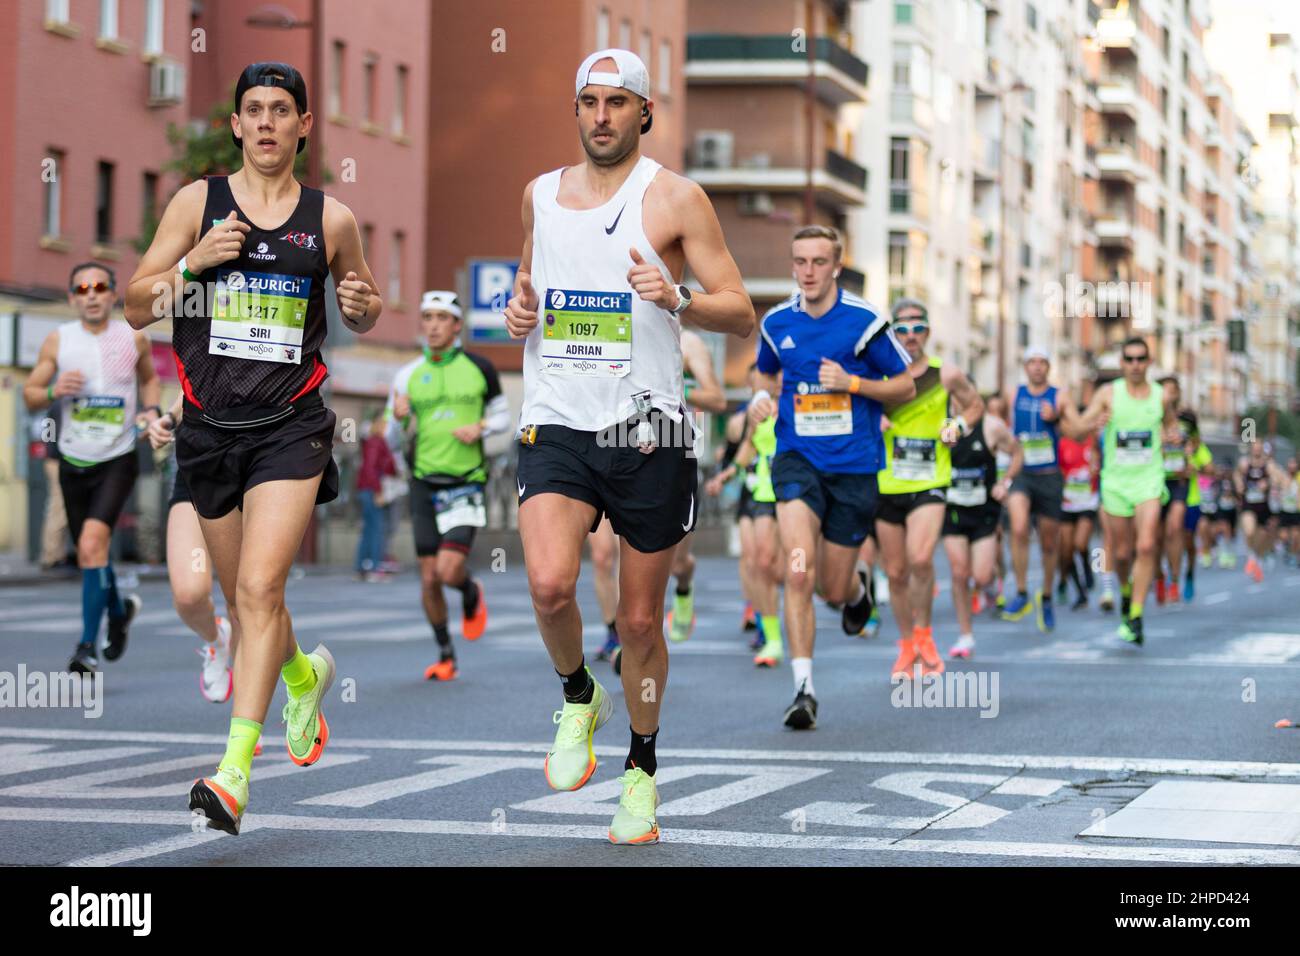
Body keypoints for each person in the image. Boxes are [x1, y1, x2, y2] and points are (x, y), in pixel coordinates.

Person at [502, 49, 754, 845]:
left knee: (641, 623)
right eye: (589, 101)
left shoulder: (676, 198)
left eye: (618, 102)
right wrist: (518, 312)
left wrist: (679, 299)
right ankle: (578, 693)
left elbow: (741, 309)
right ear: (575, 109)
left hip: (651, 430)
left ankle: (640, 772)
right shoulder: (539, 195)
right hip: (558, 420)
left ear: (645, 113)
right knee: (548, 584)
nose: (602, 116)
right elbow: (527, 285)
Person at [126, 62, 382, 834]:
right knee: (244, 604)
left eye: (281, 110)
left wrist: (362, 306)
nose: (267, 122)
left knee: (262, 590)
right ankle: (303, 677)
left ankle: (234, 772)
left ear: (304, 125)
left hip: (291, 427)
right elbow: (139, 304)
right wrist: (192, 263)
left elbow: (363, 306)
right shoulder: (194, 203)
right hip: (209, 429)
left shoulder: (330, 220)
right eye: (253, 110)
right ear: (237, 124)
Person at [748, 226, 913, 727]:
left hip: (854, 468)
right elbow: (765, 372)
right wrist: (759, 397)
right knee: (798, 571)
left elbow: (905, 385)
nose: (808, 272)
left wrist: (854, 382)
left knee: (832, 591)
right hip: (798, 461)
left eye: (819, 262)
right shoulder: (777, 322)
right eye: (800, 262)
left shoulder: (864, 321)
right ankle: (803, 689)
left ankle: (858, 591)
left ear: (837, 266)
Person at [23, 262, 160, 674]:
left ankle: (86, 647)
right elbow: (30, 393)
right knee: (92, 555)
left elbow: (150, 380)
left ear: (113, 293)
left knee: (90, 546)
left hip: (118, 457)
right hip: (72, 458)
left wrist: (150, 410)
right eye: (82, 289)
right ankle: (119, 612)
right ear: (72, 298)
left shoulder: (134, 337)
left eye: (99, 286)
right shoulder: (58, 341)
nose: (92, 294)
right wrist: (51, 390)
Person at [387, 290, 508, 680]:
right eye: (428, 318)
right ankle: (445, 654)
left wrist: (481, 427)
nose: (434, 325)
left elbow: (505, 417)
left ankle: (470, 591)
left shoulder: (480, 368)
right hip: (424, 481)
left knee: (448, 570)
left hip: (466, 482)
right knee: (427, 577)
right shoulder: (406, 375)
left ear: (457, 325)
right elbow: (392, 439)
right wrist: (401, 419)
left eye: (442, 318)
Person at [873, 299, 983, 676]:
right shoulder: (880, 374)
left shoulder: (945, 374)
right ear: (892, 333)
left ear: (928, 333)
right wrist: (874, 421)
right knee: (897, 571)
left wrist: (956, 428)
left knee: (920, 559)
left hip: (930, 479)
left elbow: (974, 407)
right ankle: (906, 645)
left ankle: (925, 635)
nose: (910, 336)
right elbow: (852, 406)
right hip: (887, 482)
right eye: (902, 329)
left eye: (917, 328)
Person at [1066, 337, 1174, 645]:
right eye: (1130, 359)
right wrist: (1093, 424)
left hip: (1149, 479)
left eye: (1141, 359)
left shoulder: (1161, 396)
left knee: (1146, 545)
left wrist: (1172, 436)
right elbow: (1074, 431)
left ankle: (1137, 615)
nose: (1136, 365)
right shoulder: (1108, 394)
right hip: (1115, 482)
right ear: (1122, 362)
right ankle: (1126, 593)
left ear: (1149, 362)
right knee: (1122, 552)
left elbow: (1170, 426)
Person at [147, 396, 241, 702]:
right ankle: (216, 638)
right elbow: (196, 376)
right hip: (199, 461)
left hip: (261, 464)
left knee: (244, 601)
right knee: (189, 596)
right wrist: (170, 418)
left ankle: (244, 719)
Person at [1001, 347, 1078, 633]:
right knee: (1019, 528)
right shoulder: (1013, 394)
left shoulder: (1060, 396)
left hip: (1049, 475)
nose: (1036, 367)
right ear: (1024, 366)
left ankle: (1044, 595)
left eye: (1041, 363)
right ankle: (1021, 591)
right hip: (1022, 472)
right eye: (1031, 362)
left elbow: (1077, 431)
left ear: (1048, 367)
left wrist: (1057, 419)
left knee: (1049, 542)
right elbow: (997, 420)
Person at [708, 375, 783, 665]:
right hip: (758, 491)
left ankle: (824, 592)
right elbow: (748, 446)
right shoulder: (758, 408)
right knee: (757, 562)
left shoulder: (797, 404)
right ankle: (770, 633)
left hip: (790, 491)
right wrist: (726, 475)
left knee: (785, 568)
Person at [942, 397, 1021, 658]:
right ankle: (965, 636)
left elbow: (1017, 452)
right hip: (953, 511)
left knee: (982, 575)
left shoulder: (991, 427)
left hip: (984, 511)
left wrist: (1005, 482)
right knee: (959, 573)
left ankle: (989, 586)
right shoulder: (942, 426)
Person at [664, 329, 727, 642]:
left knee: (675, 564)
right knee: (621, 558)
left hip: (676, 458)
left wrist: (673, 390)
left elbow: (716, 398)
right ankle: (627, 641)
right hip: (624, 455)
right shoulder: (619, 324)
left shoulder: (688, 342)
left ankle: (684, 588)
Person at [1056, 404, 1099, 610]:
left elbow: (1101, 463)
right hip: (1067, 502)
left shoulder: (1093, 443)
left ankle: (1090, 569)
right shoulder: (1062, 444)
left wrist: (1095, 468)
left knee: (1080, 544)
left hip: (1087, 501)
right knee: (1065, 551)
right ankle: (1079, 591)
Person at [355, 410, 397, 581]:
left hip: (366, 487)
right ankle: (373, 567)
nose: (386, 427)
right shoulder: (376, 442)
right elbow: (371, 467)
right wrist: (378, 490)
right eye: (384, 423)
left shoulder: (370, 442)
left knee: (368, 529)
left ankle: (362, 568)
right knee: (376, 529)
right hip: (372, 488)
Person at [1236, 441, 1285, 583]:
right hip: (1248, 504)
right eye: (1254, 448)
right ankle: (1252, 557)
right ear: (1251, 449)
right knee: (1249, 531)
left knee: (1261, 536)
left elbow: (1280, 479)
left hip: (1264, 507)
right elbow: (1236, 476)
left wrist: (1268, 483)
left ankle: (1256, 558)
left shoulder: (1268, 465)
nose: (1256, 451)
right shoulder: (1244, 463)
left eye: (1259, 448)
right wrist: (1239, 484)